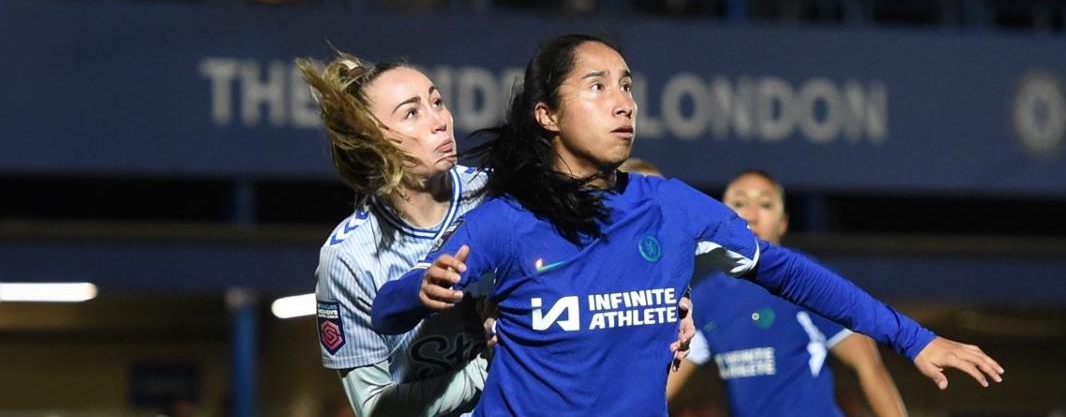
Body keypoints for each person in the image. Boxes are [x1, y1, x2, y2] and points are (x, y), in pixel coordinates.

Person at [370, 32, 1004, 417]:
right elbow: (383, 313)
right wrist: (417, 293)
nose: (624, 102)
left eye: (626, 85)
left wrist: (913, 339)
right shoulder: (508, 223)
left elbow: (792, 273)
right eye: (596, 86)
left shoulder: (671, 207)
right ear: (547, 115)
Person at [298, 50, 694, 417]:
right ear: (373, 137)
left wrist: (673, 302)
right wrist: (490, 367)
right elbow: (373, 407)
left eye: (436, 101)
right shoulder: (348, 257)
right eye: (412, 113)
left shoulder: (503, 195)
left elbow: (608, 251)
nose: (440, 119)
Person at [667, 169, 908, 417]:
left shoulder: (810, 281)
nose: (750, 215)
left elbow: (869, 368)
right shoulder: (706, 299)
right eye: (739, 203)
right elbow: (661, 387)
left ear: (783, 222)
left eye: (765, 204)